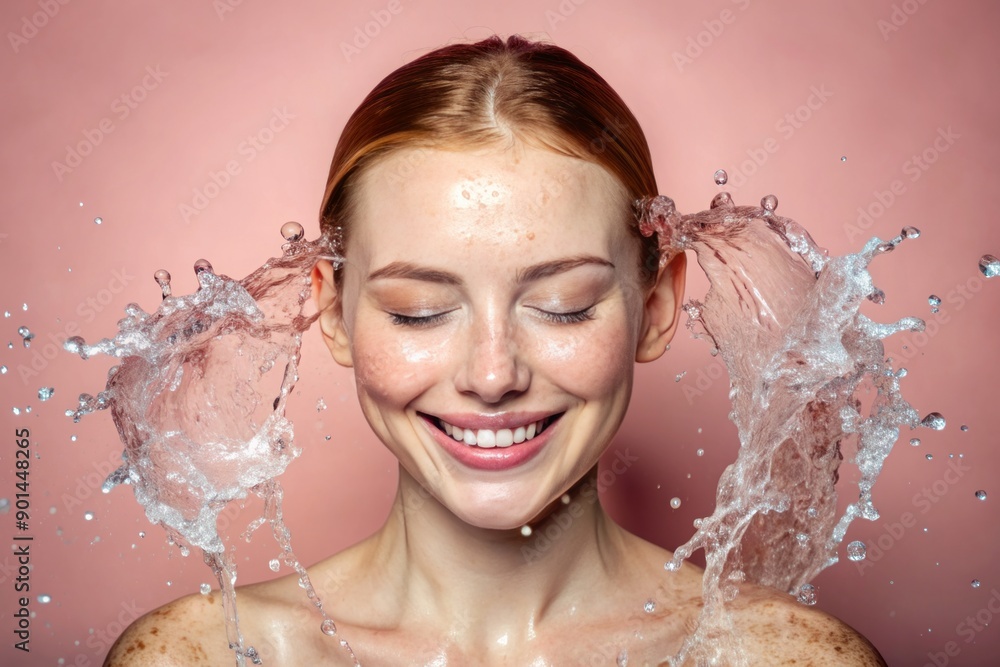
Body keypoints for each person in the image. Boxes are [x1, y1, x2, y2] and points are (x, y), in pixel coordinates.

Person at [105, 34, 886, 666]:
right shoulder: (201, 657)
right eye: (417, 311)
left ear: (655, 306)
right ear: (332, 313)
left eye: (563, 306)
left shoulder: (787, 659)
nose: (492, 375)